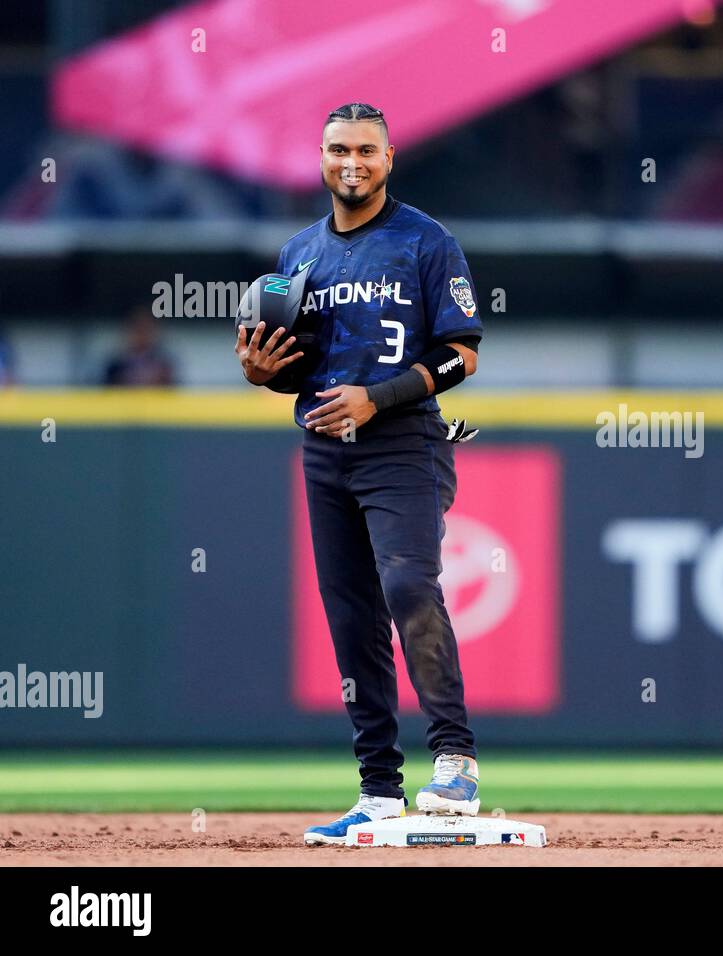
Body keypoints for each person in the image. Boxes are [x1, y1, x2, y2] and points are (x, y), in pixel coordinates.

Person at [234, 103, 484, 845]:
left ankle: (456, 761)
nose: (352, 162)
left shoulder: (425, 241)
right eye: (339, 149)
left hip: (404, 439)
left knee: (408, 585)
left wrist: (377, 397)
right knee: (350, 615)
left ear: (389, 158)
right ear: (320, 157)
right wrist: (258, 372)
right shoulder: (298, 254)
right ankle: (378, 792)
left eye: (366, 150)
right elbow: (293, 365)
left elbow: (462, 354)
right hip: (323, 446)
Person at [103, 308, 177, 386]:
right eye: (138, 328)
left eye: (147, 328)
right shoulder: (116, 366)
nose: (142, 334)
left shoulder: (164, 366)